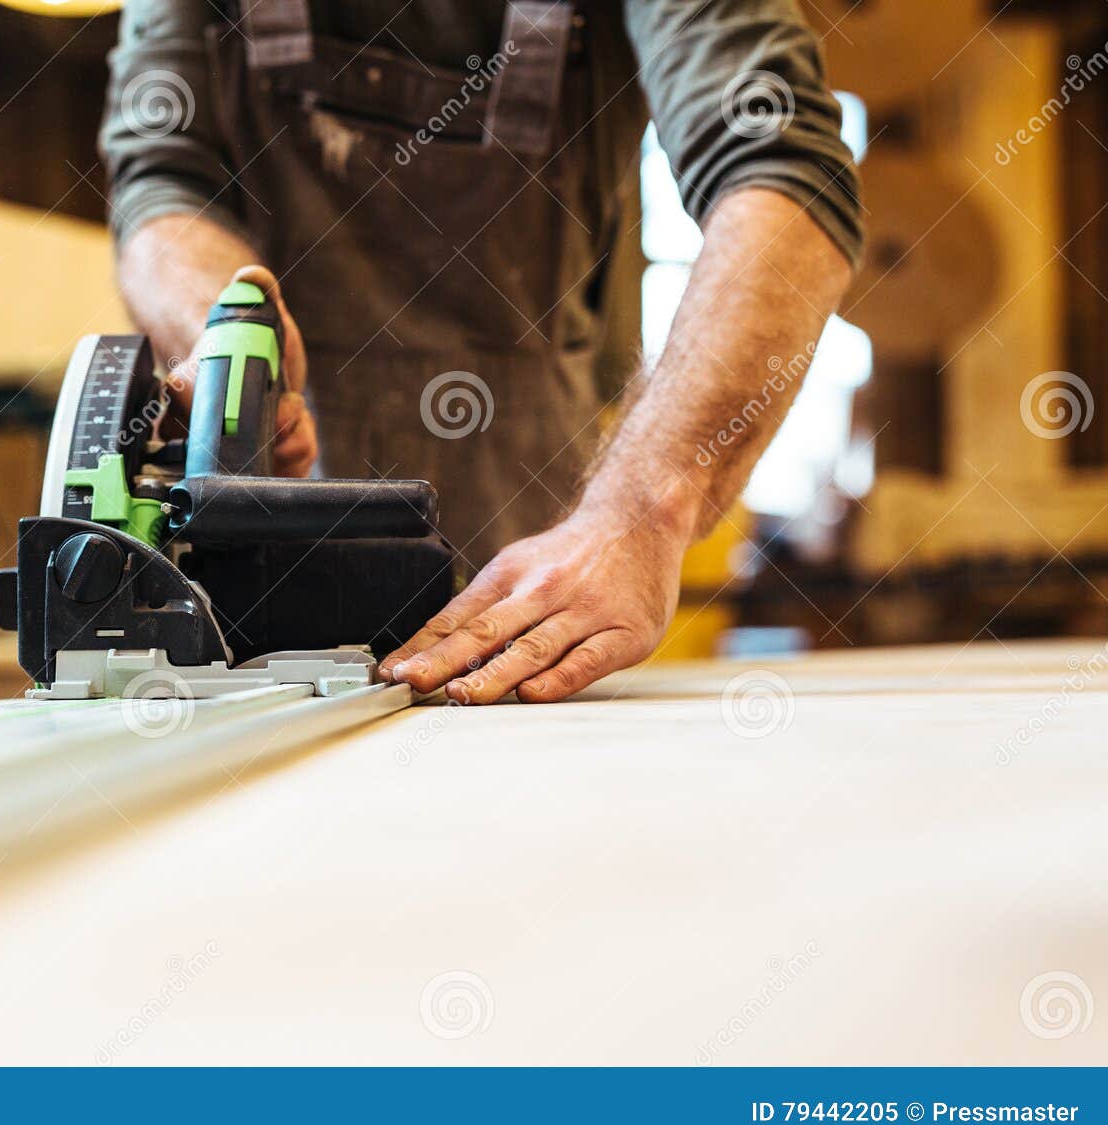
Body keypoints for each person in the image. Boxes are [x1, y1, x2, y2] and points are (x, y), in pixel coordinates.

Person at [99, 0, 862, 704]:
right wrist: (230, 329)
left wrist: (642, 509)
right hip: (258, 567)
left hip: (541, 552)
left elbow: (785, 173)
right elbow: (161, 180)